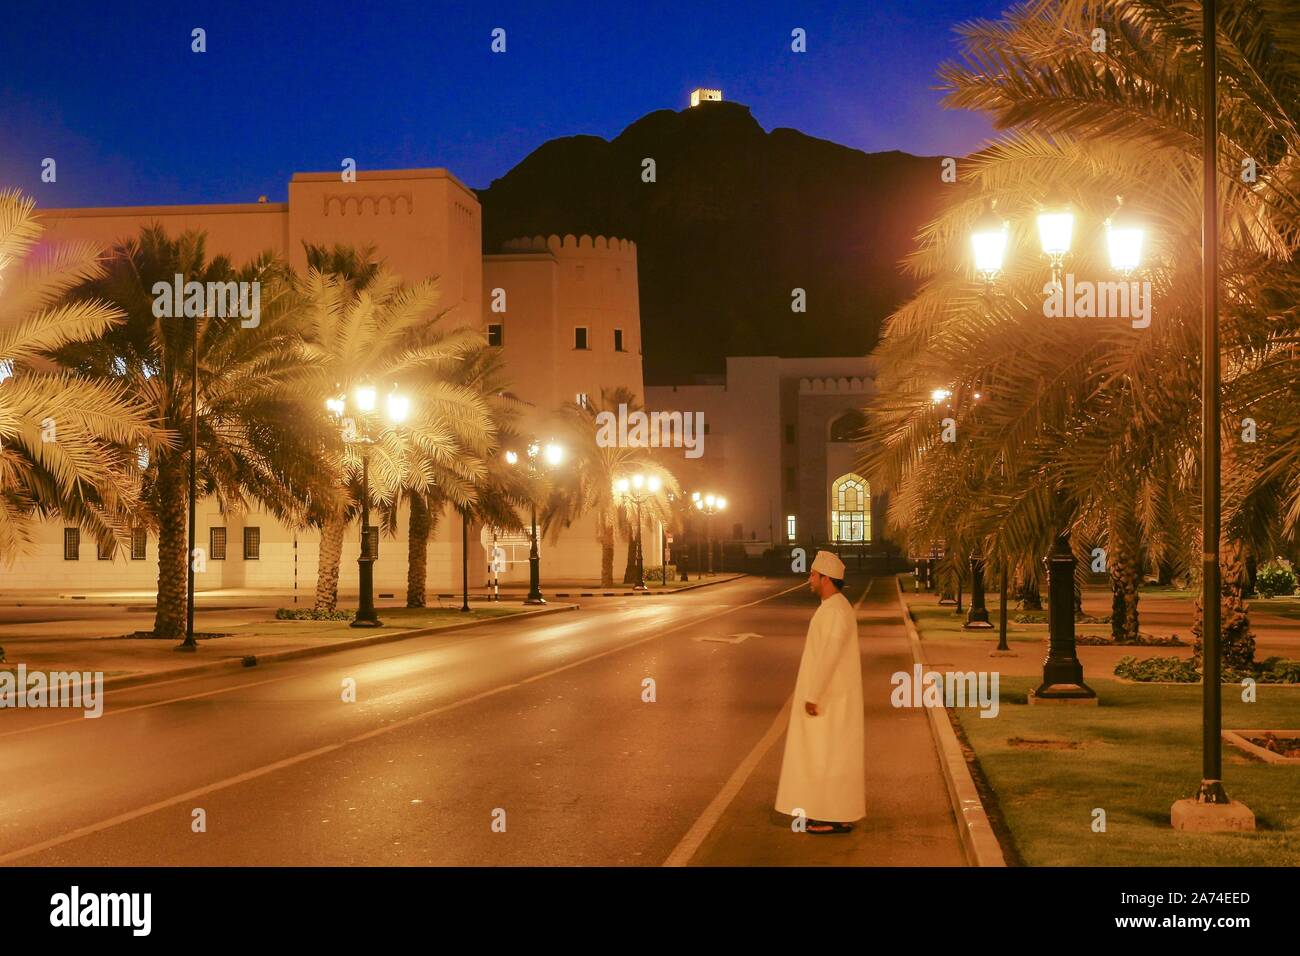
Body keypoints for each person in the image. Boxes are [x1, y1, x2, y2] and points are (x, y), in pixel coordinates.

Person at [774, 550, 866, 834]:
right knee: (826, 756)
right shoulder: (834, 608)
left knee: (828, 757)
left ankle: (831, 816)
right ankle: (830, 813)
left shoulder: (836, 611)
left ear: (826, 579)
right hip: (831, 697)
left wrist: (813, 695)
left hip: (830, 700)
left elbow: (828, 656)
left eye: (813, 575)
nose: (809, 579)